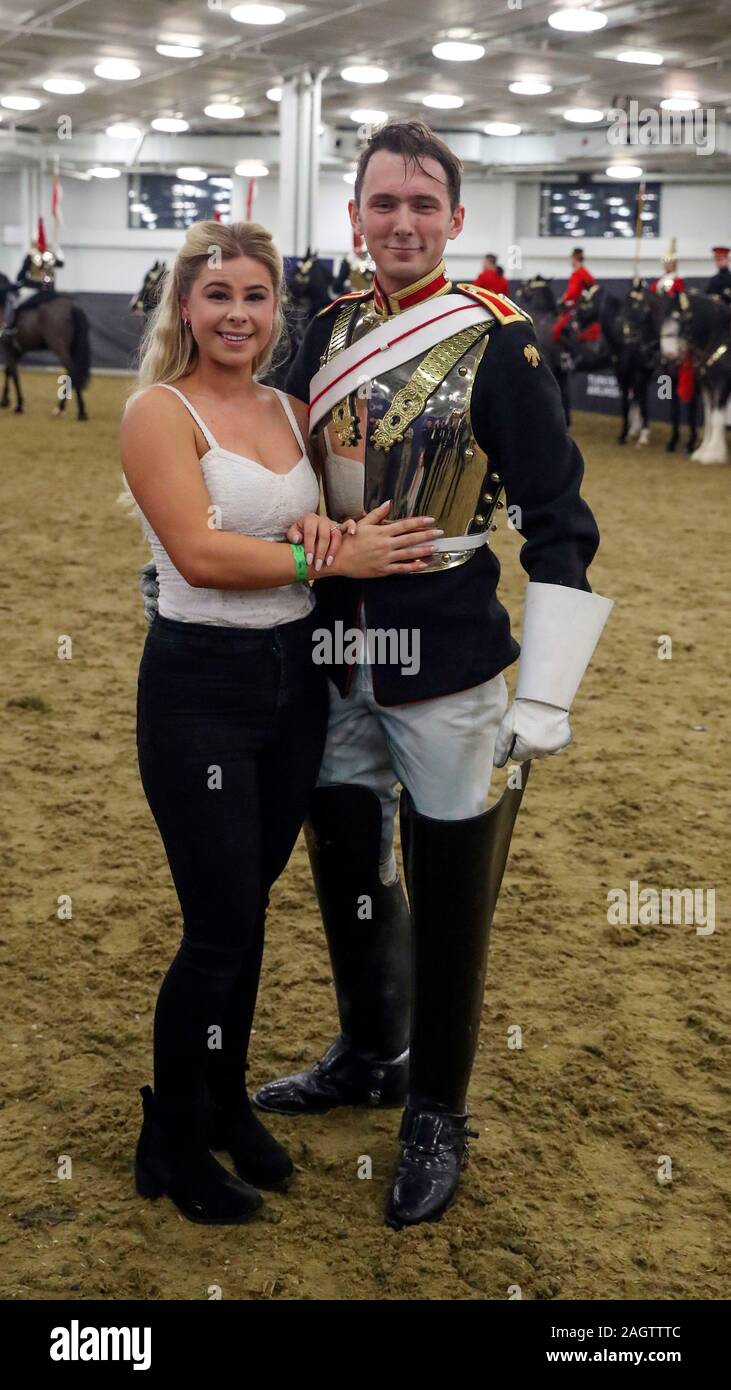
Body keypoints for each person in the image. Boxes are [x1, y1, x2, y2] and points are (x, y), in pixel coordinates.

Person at [250, 121, 614, 1229]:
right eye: (380, 204)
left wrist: (545, 690)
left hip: (448, 650)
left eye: (421, 204)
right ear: (353, 217)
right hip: (330, 641)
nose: (399, 222)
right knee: (348, 862)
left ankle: (437, 1107)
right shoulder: (324, 328)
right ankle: (371, 1050)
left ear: (453, 220)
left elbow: (559, 520)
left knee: (454, 889)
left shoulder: (503, 347)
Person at [119, 218, 440, 1226]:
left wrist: (324, 530)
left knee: (249, 916)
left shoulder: (291, 407)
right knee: (215, 929)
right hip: (199, 684)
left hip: (292, 680)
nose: (237, 315)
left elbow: (308, 521)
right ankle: (169, 1136)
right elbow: (203, 553)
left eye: (254, 297)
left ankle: (220, 1098)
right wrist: (323, 560)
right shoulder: (155, 412)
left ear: (274, 309)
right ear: (185, 307)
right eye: (217, 296)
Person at [0, 216, 64, 342]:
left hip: (32, 288)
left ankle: (8, 326)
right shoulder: (50, 257)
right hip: (49, 289)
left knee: (12, 300)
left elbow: (21, 276)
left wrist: (22, 283)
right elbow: (60, 265)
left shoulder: (31, 257)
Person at [551, 247, 595, 343]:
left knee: (557, 329)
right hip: (578, 303)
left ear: (574, 258)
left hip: (577, 305)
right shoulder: (583, 272)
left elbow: (573, 292)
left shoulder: (579, 273)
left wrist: (564, 298)